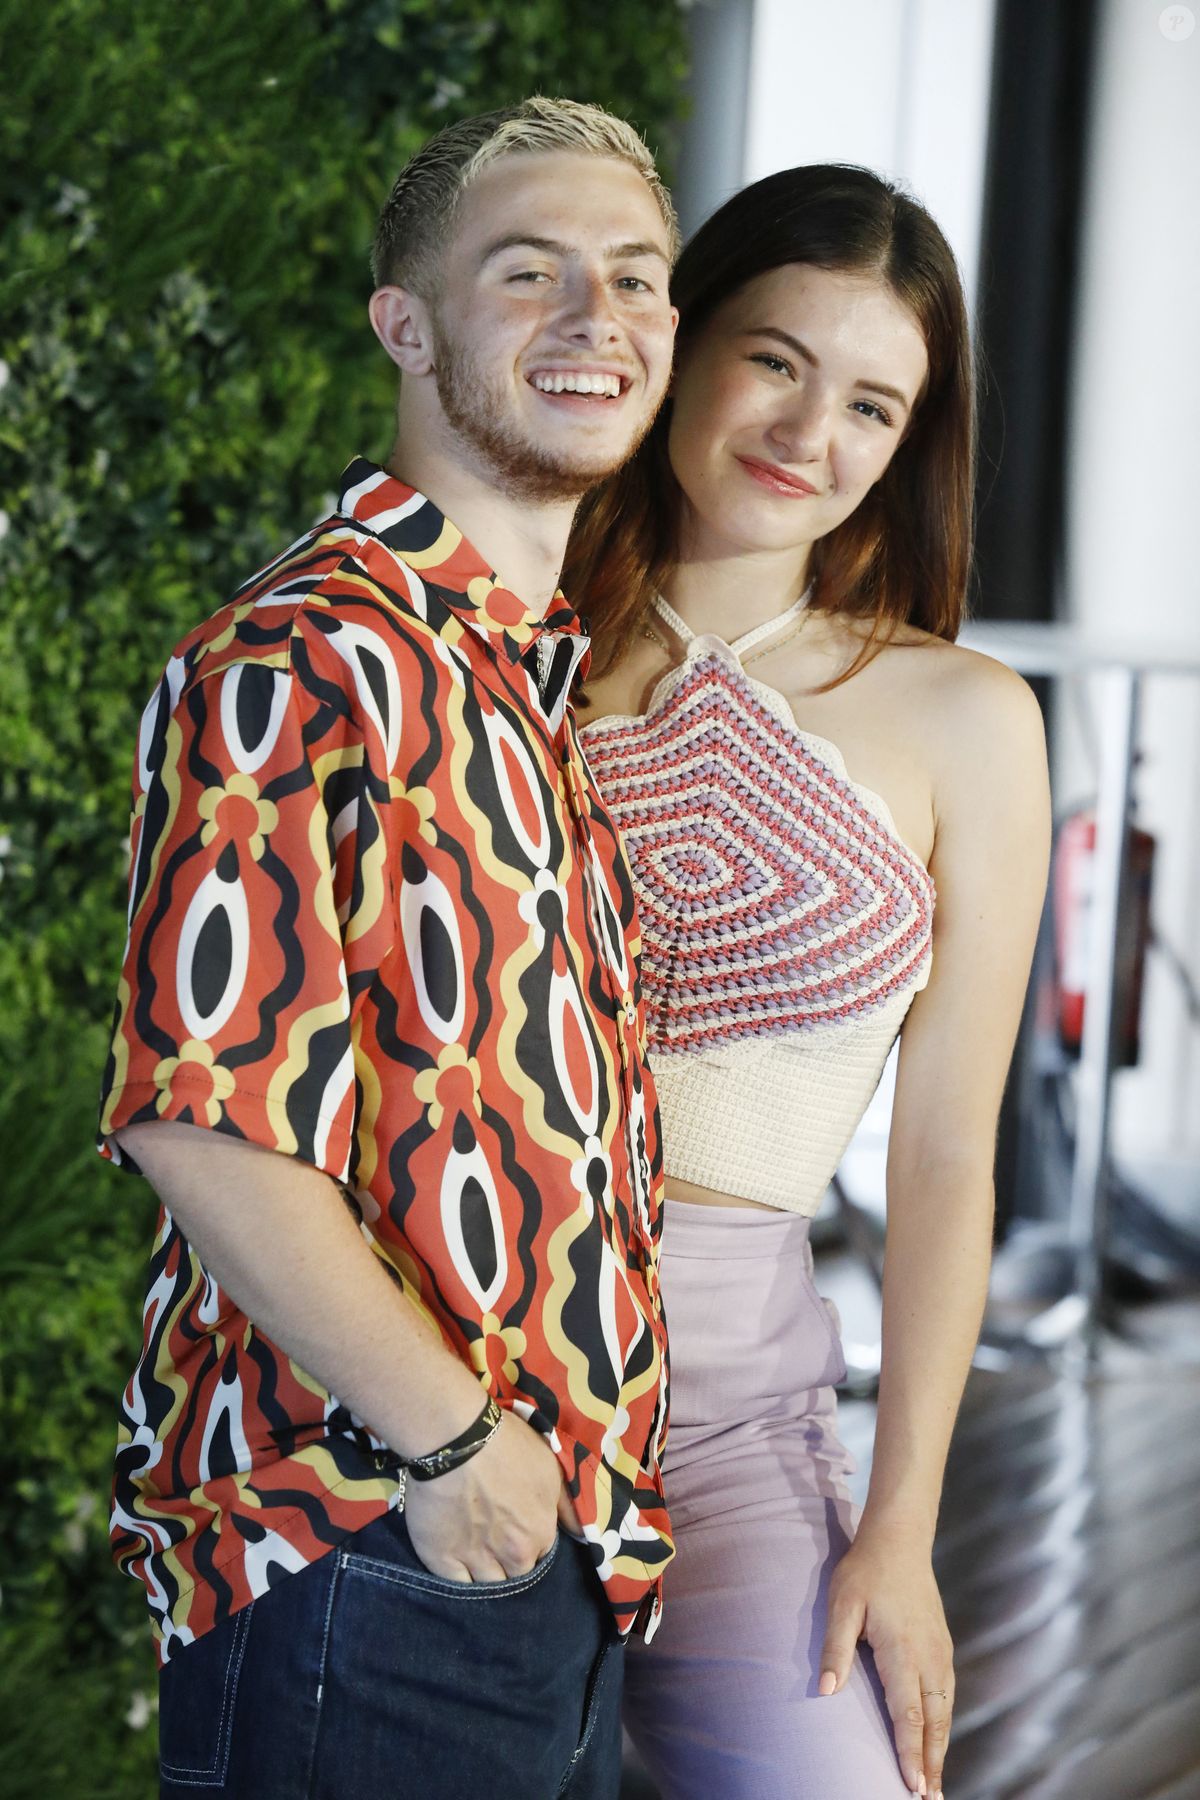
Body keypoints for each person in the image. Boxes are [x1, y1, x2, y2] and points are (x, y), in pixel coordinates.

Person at [97, 97, 680, 1800]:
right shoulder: (297, 657)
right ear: (406, 327)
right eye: (533, 272)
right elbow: (198, 1116)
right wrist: (456, 1451)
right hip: (367, 1534)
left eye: (638, 279)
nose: (602, 320)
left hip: (545, 1556)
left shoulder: (529, 676)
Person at [568, 164, 1051, 1800]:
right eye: (774, 359)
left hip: (730, 1412)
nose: (807, 433)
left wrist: (899, 1533)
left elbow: (941, 1159)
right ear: (682, 344)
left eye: (871, 403)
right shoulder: (506, 657)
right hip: (447, 1372)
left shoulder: (964, 718)